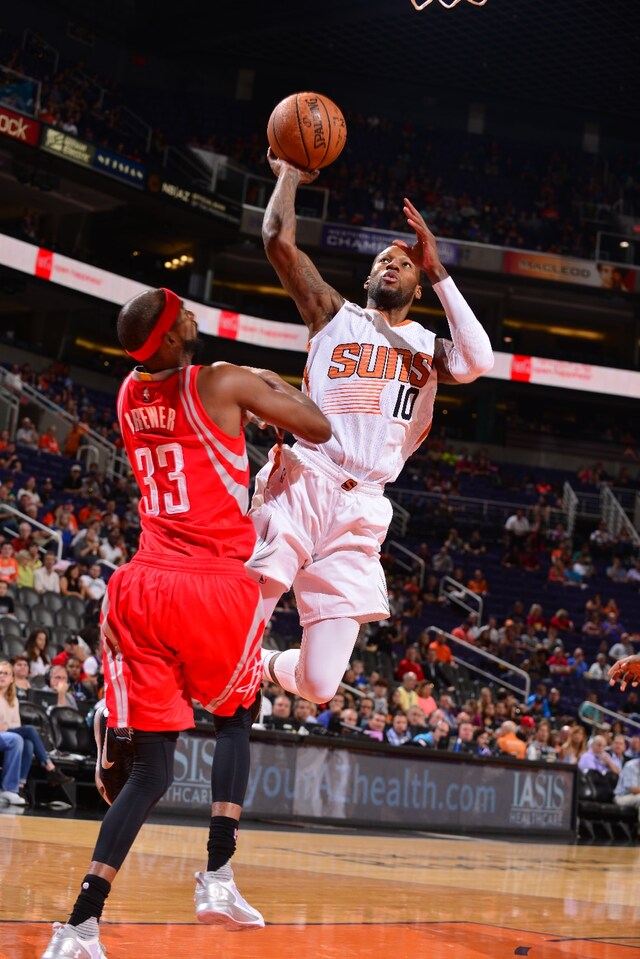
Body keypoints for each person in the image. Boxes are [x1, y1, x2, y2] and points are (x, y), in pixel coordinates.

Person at [40, 286, 330, 959]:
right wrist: (268, 385)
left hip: (139, 586)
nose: (195, 318)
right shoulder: (224, 381)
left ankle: (79, 926)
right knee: (239, 710)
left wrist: (243, 435)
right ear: (170, 340)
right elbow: (316, 425)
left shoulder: (125, 395)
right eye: (185, 317)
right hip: (209, 589)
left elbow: (201, 461)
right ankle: (218, 874)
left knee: (154, 772)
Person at [250, 153, 493, 707]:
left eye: (404, 264)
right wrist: (290, 172)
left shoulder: (430, 348)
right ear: (366, 276)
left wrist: (439, 268)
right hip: (306, 478)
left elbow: (479, 361)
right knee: (243, 620)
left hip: (364, 510)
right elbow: (277, 241)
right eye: (384, 260)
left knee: (318, 685)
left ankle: (258, 665)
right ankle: (159, 698)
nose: (392, 265)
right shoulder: (334, 315)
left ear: (419, 283)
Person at [0, 660, 73, 793]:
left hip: (8, 734)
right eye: (0, 673)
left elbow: (15, 725)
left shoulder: (13, 699)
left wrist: (6, 727)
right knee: (29, 730)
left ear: (12, 679)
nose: (2, 676)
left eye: (6, 673)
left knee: (28, 743)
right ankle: (50, 767)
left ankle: (20, 787)